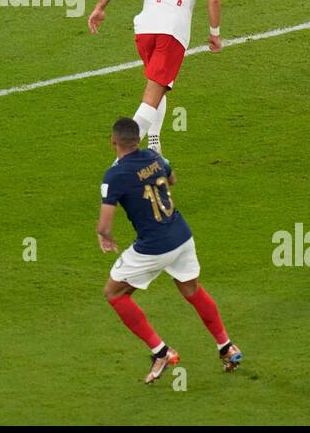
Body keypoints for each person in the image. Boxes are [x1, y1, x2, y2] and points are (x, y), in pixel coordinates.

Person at [98, 117, 242, 384]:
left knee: (114, 293)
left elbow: (105, 224)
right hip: (181, 236)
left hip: (153, 245)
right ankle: (226, 346)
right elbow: (172, 179)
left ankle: (160, 352)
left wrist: (104, 237)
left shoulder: (114, 175)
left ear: (113, 142)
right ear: (138, 140)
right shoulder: (154, 157)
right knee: (192, 290)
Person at [87, 0, 221, 152]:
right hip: (173, 33)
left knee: (157, 83)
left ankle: (155, 142)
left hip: (145, 29)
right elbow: (213, 0)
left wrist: (100, 6)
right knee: (153, 92)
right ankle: (123, 157)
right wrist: (214, 33)